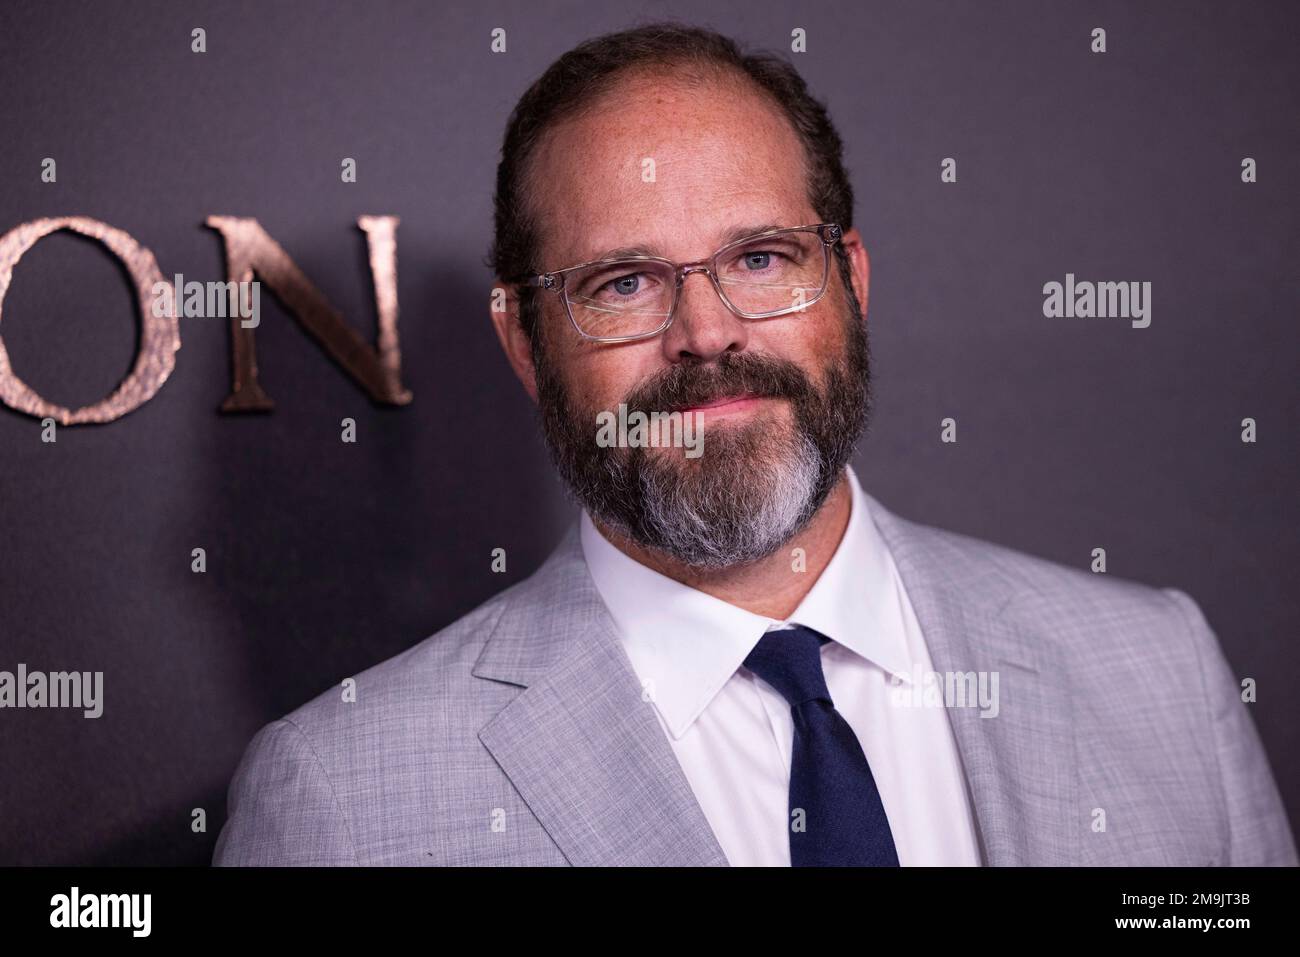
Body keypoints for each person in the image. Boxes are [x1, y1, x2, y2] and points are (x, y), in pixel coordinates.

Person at [213, 22, 1296, 867]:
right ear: (526, 343)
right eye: (623, 283)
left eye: (763, 258)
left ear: (852, 282)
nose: (707, 333)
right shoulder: (345, 801)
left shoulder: (1156, 670)